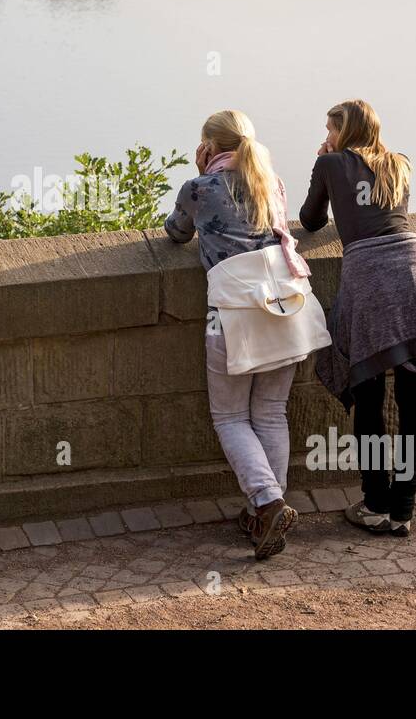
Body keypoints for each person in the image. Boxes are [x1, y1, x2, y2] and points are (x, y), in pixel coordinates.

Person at [164, 110, 329, 559]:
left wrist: (199, 177)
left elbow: (176, 232)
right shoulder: (270, 182)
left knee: (231, 417)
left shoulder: (200, 189)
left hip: (234, 312)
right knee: (272, 412)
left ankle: (268, 502)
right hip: (285, 305)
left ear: (209, 148)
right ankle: (264, 515)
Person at [299, 100, 416, 536]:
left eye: (330, 129)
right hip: (415, 271)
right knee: (414, 402)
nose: (327, 137)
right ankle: (403, 510)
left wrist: (323, 162)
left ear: (344, 131)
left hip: (370, 280)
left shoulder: (330, 163)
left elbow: (310, 220)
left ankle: (374, 503)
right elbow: (385, 211)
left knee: (369, 399)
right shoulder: (400, 164)